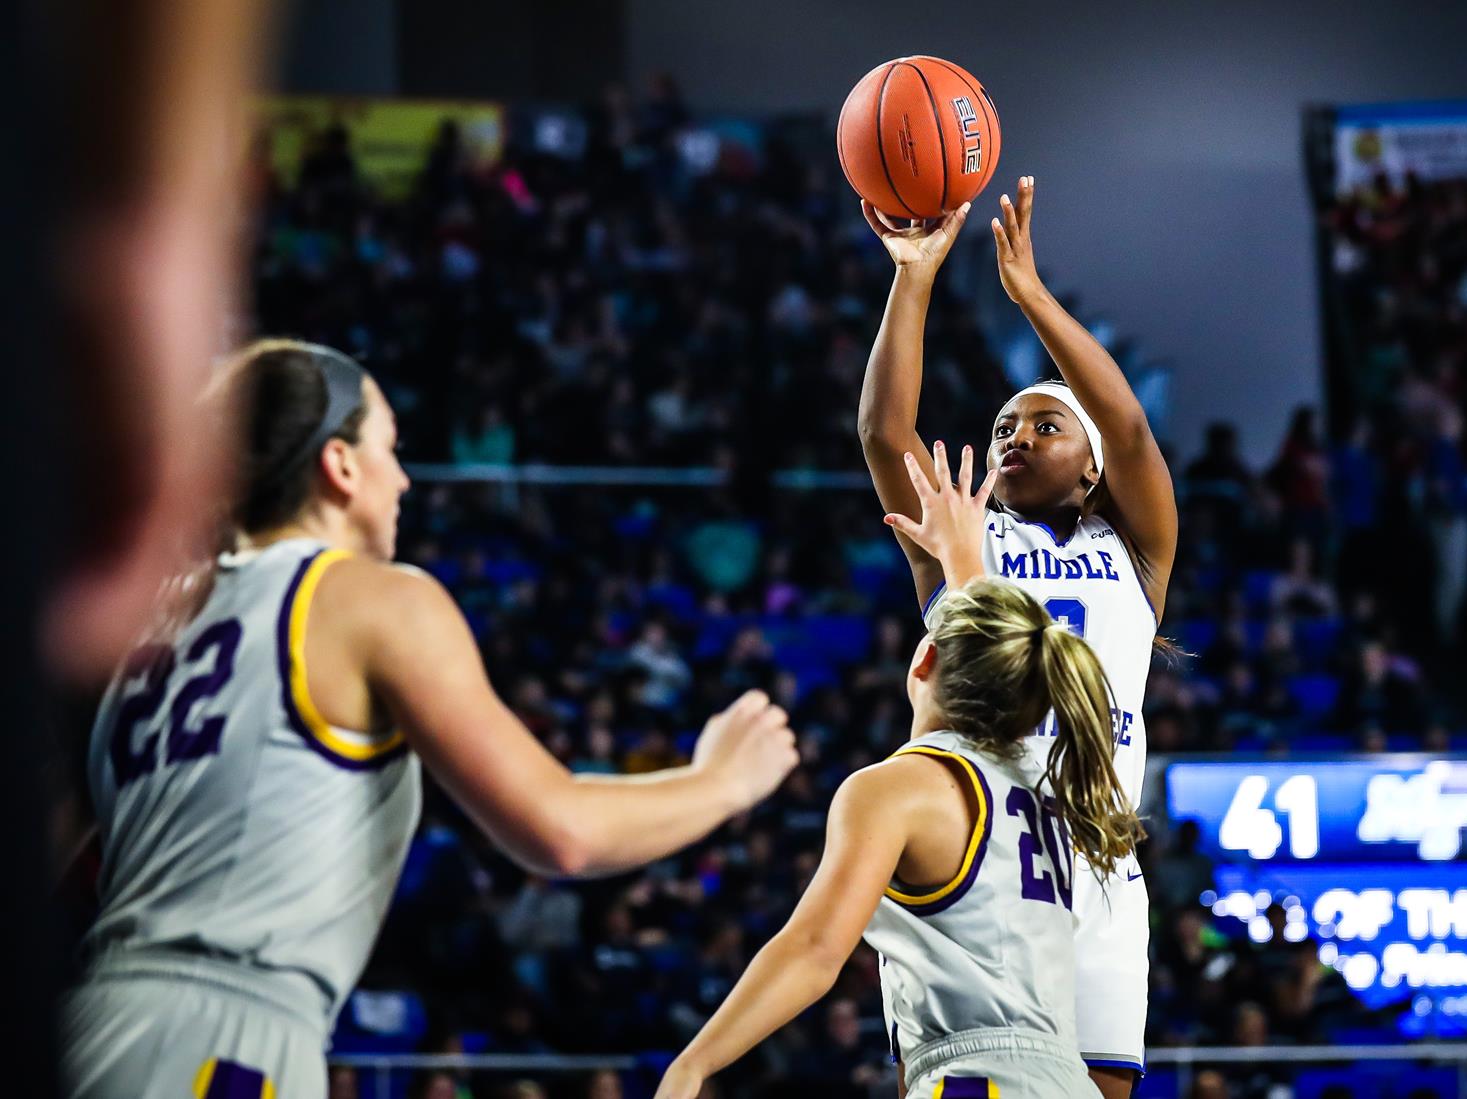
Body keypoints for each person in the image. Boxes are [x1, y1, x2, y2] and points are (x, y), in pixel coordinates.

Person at [62, 341, 800, 1099]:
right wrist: (724, 781)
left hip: (85, 1019)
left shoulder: (147, 624)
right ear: (341, 466)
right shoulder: (373, 599)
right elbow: (563, 830)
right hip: (224, 1030)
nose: (405, 478)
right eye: (390, 447)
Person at [655, 454, 1139, 1099]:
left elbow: (815, 950)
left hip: (980, 1081)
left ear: (922, 660)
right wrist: (961, 556)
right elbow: (996, 647)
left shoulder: (900, 788)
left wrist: (693, 1065)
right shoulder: (1046, 781)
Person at [857, 176, 1176, 1097]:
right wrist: (914, 274)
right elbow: (883, 432)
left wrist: (1029, 294)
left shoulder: (1136, 548)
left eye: (1046, 424)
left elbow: (1129, 426)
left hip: (1098, 858)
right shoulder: (961, 530)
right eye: (1004, 426)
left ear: (1092, 471)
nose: (1016, 436)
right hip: (981, 849)